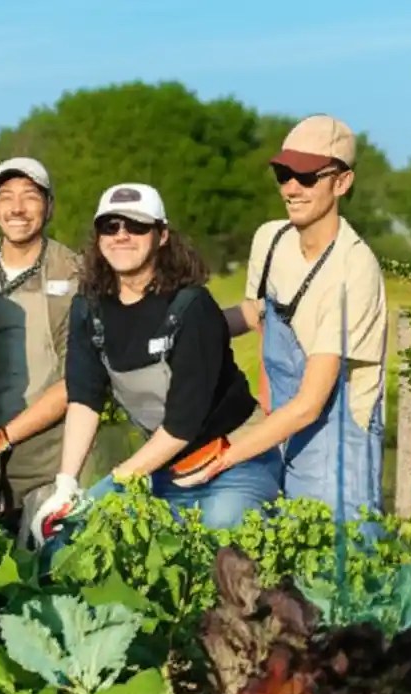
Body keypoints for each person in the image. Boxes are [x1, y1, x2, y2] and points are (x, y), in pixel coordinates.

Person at [30, 183, 282, 546]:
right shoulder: (89, 309)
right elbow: (85, 400)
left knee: (220, 539)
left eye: (136, 226)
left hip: (235, 462)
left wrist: (108, 489)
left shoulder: (192, 307)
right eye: (111, 226)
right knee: (75, 544)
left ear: (162, 235)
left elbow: (182, 425)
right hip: (163, 468)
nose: (122, 236)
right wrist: (67, 486)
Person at [218, 114, 387, 524]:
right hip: (282, 426)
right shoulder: (271, 239)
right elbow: (256, 315)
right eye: (283, 173)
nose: (291, 188)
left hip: (336, 441)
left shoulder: (353, 268)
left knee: (335, 573)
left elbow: (312, 404)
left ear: (342, 182)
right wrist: (185, 328)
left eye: (308, 177)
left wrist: (224, 459)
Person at [0, 158, 80, 547]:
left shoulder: (77, 275)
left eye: (30, 197)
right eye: (6, 197)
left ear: (49, 206)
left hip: (47, 459)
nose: (17, 208)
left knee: (45, 573)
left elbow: (77, 381)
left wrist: (3, 439)